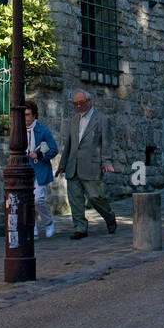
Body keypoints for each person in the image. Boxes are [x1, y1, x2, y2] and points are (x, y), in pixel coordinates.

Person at [55, 89, 117, 239]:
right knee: (75, 199)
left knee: (96, 197)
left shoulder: (102, 119)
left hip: (92, 166)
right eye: (75, 104)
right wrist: (62, 164)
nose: (78, 106)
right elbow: (68, 145)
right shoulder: (74, 121)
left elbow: (106, 143)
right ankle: (80, 228)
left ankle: (109, 217)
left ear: (89, 101)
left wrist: (106, 161)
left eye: (81, 103)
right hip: (73, 166)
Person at [24, 100, 58, 239]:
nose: (25, 117)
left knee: (38, 199)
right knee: (26, 200)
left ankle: (48, 222)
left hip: (40, 169)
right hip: (24, 169)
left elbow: (54, 149)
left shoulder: (43, 131)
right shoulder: (18, 130)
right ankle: (33, 228)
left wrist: (39, 155)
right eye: (23, 114)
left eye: (27, 115)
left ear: (34, 115)